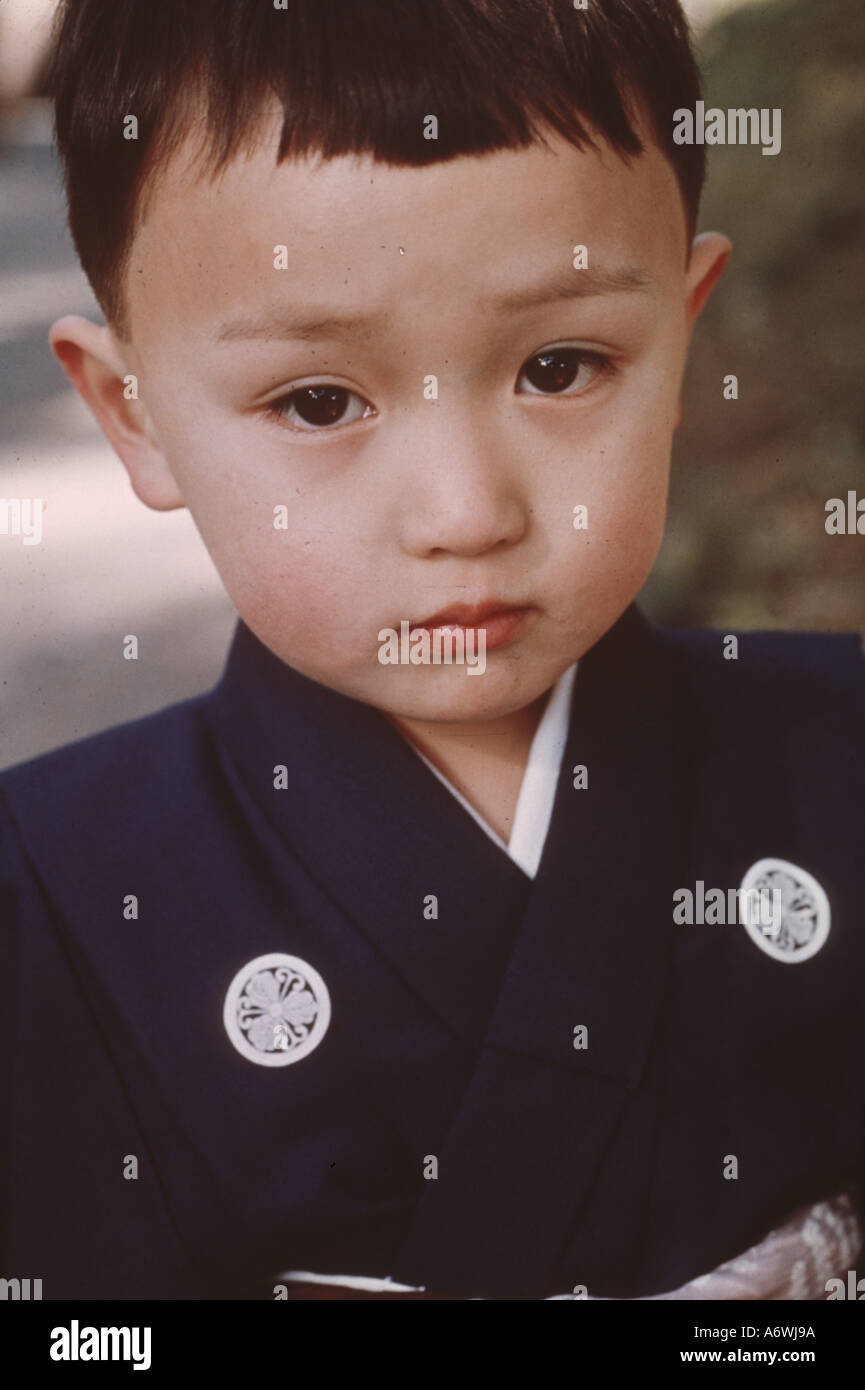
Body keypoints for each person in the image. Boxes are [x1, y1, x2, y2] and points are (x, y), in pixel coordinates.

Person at [1, 0, 863, 1301]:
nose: (466, 513)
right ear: (135, 416)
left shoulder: (838, 748)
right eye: (317, 399)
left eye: (561, 367)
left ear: (682, 334)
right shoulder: (44, 895)